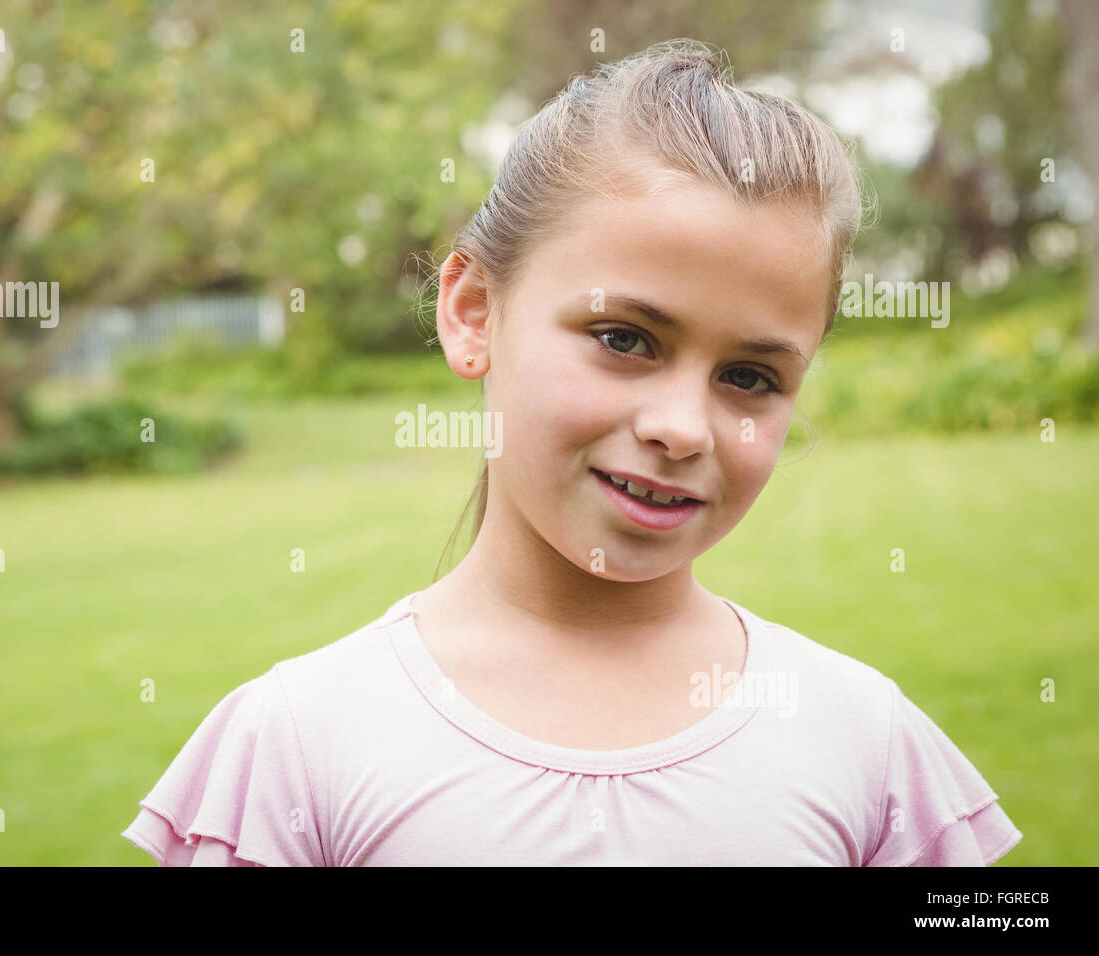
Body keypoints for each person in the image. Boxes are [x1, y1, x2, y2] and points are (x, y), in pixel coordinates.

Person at [121, 39, 1022, 866]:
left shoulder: (864, 743)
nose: (683, 427)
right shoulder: (297, 746)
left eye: (749, 377)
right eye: (625, 339)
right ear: (473, 312)